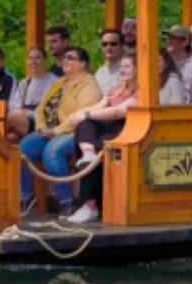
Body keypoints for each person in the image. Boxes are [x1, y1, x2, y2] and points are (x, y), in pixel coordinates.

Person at [19, 47, 102, 213]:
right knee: (23, 147)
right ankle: (26, 197)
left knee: (51, 151)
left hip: (75, 132)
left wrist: (55, 131)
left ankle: (66, 201)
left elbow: (82, 114)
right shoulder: (59, 82)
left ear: (82, 64)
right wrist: (41, 126)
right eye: (64, 57)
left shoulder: (88, 84)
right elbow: (41, 108)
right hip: (49, 130)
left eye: (70, 58)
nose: (64, 60)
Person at [61, 53, 138, 224]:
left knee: (99, 140)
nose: (122, 70)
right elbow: (100, 106)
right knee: (85, 125)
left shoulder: (141, 91)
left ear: (138, 69)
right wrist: (80, 114)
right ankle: (88, 154)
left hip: (124, 128)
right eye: (122, 66)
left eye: (127, 67)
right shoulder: (117, 89)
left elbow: (119, 111)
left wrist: (87, 114)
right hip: (107, 126)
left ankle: (90, 206)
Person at [5, 46, 57, 142]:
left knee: (10, 118)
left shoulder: (54, 82)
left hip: (42, 123)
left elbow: (53, 110)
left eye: (37, 58)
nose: (33, 62)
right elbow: (14, 105)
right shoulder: (26, 82)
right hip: (23, 121)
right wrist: (20, 112)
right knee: (10, 138)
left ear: (45, 60)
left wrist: (28, 113)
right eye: (30, 58)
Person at [93, 28, 126, 94]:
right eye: (104, 44)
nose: (108, 47)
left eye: (113, 44)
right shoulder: (100, 73)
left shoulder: (128, 71)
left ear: (122, 46)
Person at [164, 25, 192, 91]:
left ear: (185, 42)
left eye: (173, 38)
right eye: (168, 37)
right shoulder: (164, 64)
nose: (168, 41)